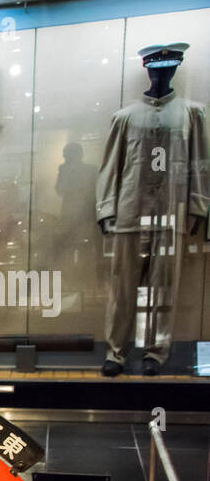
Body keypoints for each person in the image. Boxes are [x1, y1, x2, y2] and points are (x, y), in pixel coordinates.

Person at [95, 43, 208, 377]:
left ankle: (154, 353)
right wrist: (106, 209)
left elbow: (200, 163)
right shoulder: (126, 117)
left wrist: (199, 207)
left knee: (162, 288)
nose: (162, 74)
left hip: (172, 213)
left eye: (168, 68)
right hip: (130, 213)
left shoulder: (191, 113)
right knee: (122, 290)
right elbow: (110, 167)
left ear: (176, 69)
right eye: (156, 68)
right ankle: (116, 352)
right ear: (147, 69)